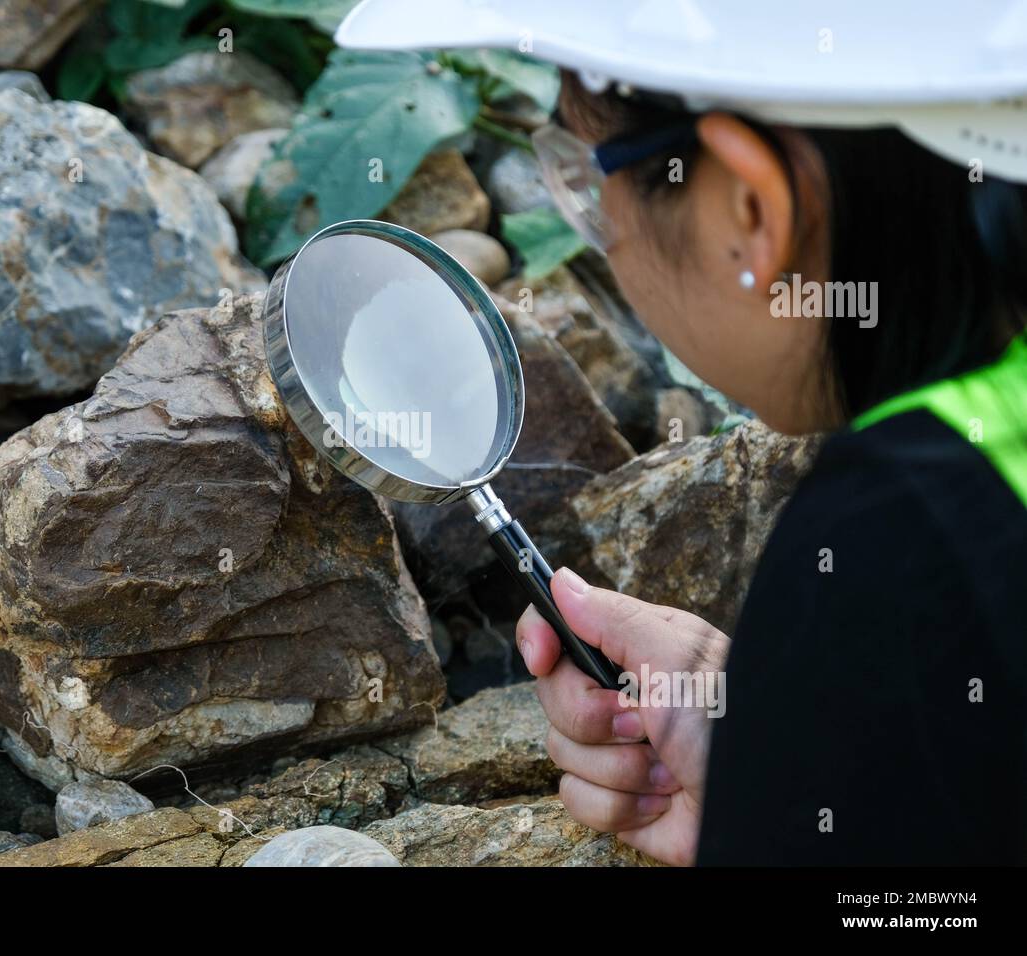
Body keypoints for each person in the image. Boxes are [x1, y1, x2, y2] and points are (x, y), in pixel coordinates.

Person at [337, 0, 1027, 864]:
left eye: (583, 184)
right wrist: (796, 776)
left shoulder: (897, 538)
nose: (593, 232)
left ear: (750, 208)